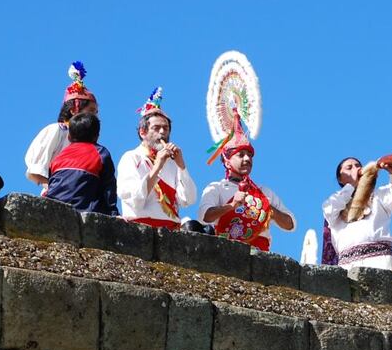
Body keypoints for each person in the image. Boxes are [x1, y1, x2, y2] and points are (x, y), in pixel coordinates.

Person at [198, 113, 295, 251]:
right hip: (227, 251)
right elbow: (204, 216)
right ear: (227, 161)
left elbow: (290, 224)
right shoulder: (217, 188)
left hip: (260, 255)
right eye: (241, 155)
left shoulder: (264, 192)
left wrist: (268, 208)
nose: (247, 159)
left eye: (250, 155)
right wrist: (231, 205)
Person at [117, 94, 197, 229]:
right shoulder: (131, 157)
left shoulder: (172, 163)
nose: (162, 132)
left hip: (171, 231)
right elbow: (134, 200)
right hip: (141, 229)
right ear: (143, 132)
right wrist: (157, 166)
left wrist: (181, 166)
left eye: (166, 128)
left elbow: (188, 199)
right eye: (156, 128)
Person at [321, 156, 392, 271]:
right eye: (349, 168)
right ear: (340, 179)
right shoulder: (335, 201)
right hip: (347, 268)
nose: (355, 169)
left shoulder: (378, 196)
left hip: (381, 263)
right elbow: (329, 209)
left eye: (358, 166)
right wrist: (351, 185)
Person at [25, 62, 98, 189]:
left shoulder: (92, 145)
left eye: (96, 113)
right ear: (74, 110)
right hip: (56, 195)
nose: (95, 117)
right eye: (91, 111)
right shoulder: (57, 131)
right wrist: (53, 188)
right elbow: (35, 170)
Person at [44, 112, 118, 215]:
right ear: (97, 136)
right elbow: (109, 187)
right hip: (84, 211)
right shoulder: (101, 153)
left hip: (53, 209)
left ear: (69, 137)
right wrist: (114, 214)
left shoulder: (59, 157)